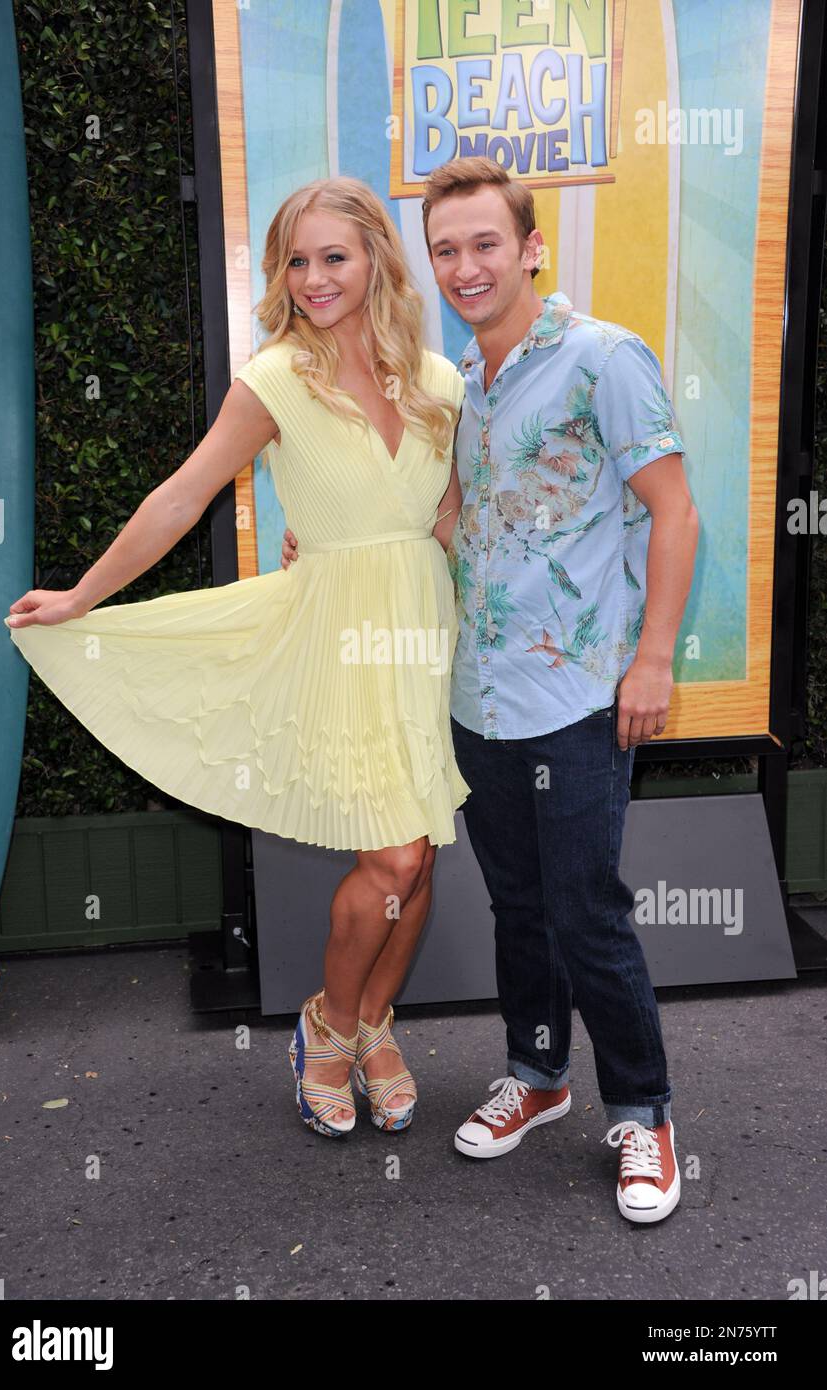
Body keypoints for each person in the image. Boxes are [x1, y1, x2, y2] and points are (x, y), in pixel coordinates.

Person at [4, 175, 469, 1140]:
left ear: (377, 256)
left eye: (332, 256)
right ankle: (329, 1026)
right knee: (389, 853)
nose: (312, 278)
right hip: (336, 632)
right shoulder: (275, 379)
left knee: (417, 856)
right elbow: (182, 497)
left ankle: (375, 1029)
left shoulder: (438, 379)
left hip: (422, 628)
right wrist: (85, 595)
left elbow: (452, 515)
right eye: (295, 261)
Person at [281, 156, 699, 1222]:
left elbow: (674, 510)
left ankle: (644, 1114)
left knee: (585, 910)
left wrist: (651, 659)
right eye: (447, 249)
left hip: (578, 694)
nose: (466, 266)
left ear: (529, 249)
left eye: (484, 244)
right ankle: (539, 1072)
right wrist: (328, 538)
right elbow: (451, 521)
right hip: (477, 696)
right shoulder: (460, 386)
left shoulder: (604, 359)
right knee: (519, 904)